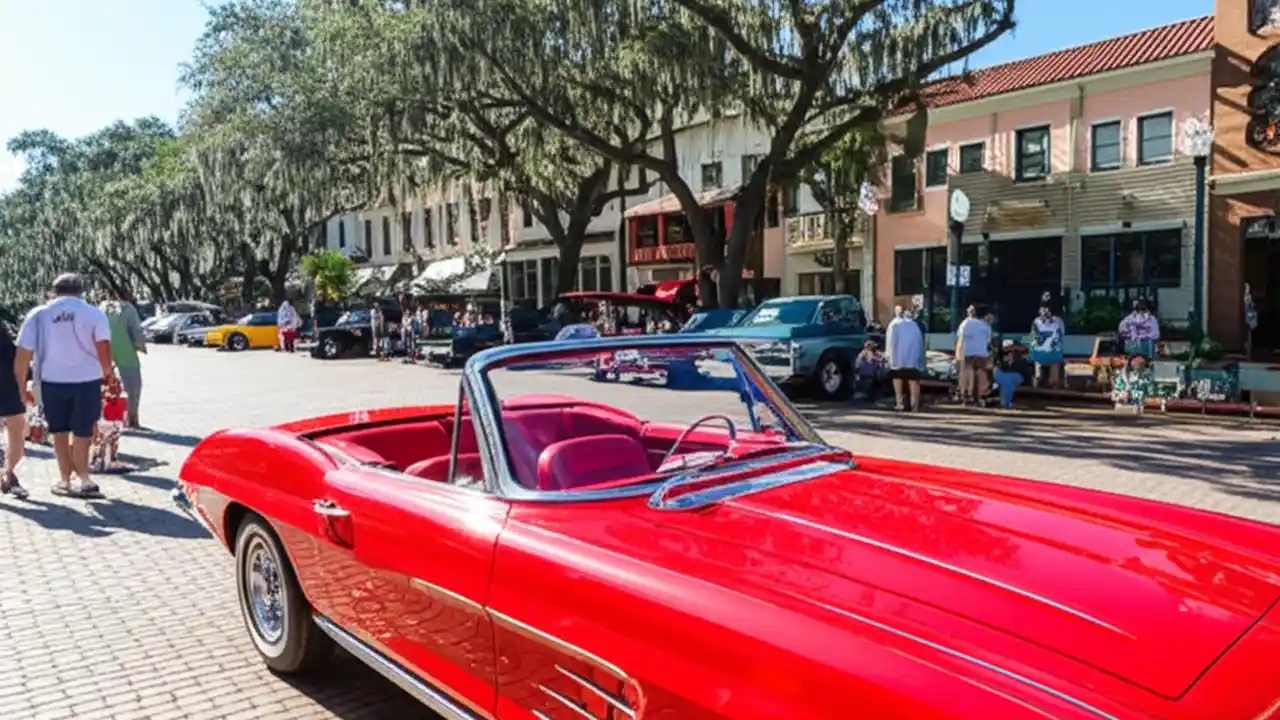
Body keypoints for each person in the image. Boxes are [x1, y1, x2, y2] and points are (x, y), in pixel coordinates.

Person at [13, 273, 115, 498]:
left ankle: (64, 480)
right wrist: (108, 373)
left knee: (59, 431)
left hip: (52, 381)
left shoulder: (38, 314)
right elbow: (103, 345)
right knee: (83, 431)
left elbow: (23, 353)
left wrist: (20, 385)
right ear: (81, 291)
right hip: (87, 380)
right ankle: (85, 480)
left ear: (54, 290)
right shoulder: (94, 313)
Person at [101, 288, 147, 429]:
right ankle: (132, 419)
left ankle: (106, 417)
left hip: (104, 351)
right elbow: (136, 330)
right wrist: (141, 346)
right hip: (125, 351)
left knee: (105, 386)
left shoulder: (102, 308)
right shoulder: (128, 309)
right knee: (133, 387)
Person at [0, 321, 29, 499]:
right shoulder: (8, 342)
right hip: (10, 390)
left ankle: (8, 473)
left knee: (17, 432)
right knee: (17, 433)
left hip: (10, 391)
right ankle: (8, 473)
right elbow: (22, 367)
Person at [885, 305, 926, 412]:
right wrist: (921, 360)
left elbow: (891, 343)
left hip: (898, 359)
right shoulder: (914, 325)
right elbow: (920, 343)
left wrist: (889, 357)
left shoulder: (894, 325)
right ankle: (915, 406)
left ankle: (899, 403)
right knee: (913, 381)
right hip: (913, 360)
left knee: (897, 379)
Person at [955, 305, 992, 405]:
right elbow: (988, 341)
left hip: (968, 353)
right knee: (981, 375)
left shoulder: (965, 323)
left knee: (967, 375)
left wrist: (958, 355)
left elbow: (960, 339)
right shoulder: (986, 325)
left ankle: (967, 395)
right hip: (982, 354)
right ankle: (981, 396)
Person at [1029, 303, 1066, 388]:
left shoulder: (1058, 321)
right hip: (1040, 351)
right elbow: (1033, 335)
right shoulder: (1036, 321)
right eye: (1043, 309)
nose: (1046, 311)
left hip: (1053, 352)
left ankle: (1054, 390)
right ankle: (1036, 387)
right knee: (1038, 376)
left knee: (1054, 377)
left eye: (1047, 309)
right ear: (1039, 311)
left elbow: (1061, 335)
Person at [993, 341, 1032, 410]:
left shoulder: (1021, 361)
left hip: (1016, 377)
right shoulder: (1003, 359)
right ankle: (1005, 402)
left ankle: (1005, 402)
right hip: (1007, 376)